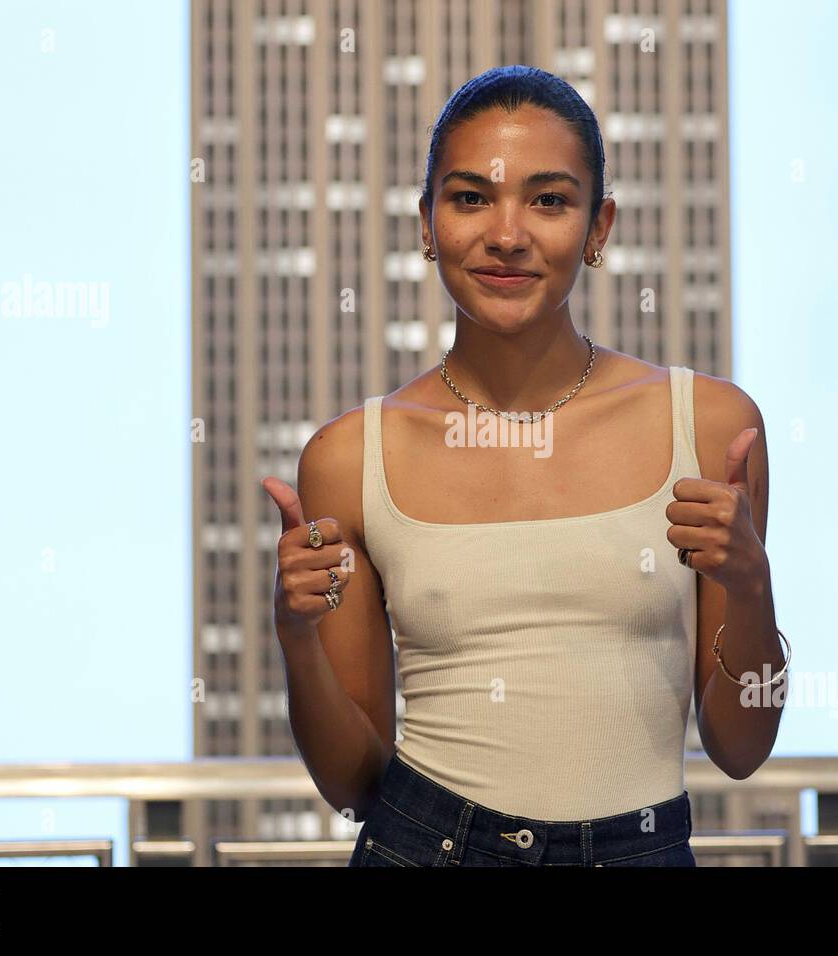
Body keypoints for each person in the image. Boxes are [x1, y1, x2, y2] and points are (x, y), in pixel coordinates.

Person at [261, 65, 789, 867]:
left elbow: (743, 745)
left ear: (598, 226)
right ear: (427, 223)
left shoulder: (712, 426)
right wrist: (295, 640)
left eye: (549, 200)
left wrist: (753, 586)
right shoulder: (349, 456)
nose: (507, 235)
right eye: (471, 197)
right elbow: (351, 787)